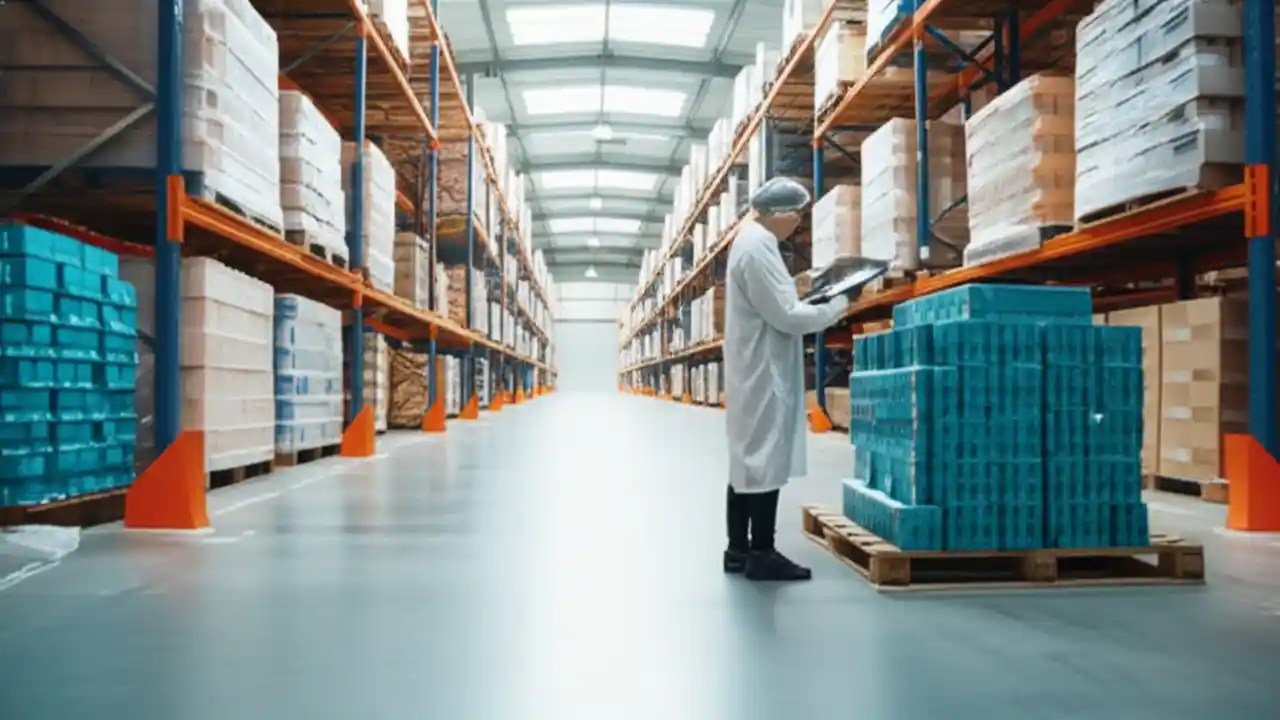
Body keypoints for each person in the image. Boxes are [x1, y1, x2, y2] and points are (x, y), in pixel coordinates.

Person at [723, 177, 851, 581]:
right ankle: (761, 552)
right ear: (778, 214)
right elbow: (787, 317)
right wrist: (838, 307)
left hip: (755, 364)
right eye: (797, 214)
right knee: (764, 459)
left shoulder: (752, 242)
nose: (799, 222)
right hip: (764, 368)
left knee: (748, 459)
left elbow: (777, 302)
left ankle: (738, 550)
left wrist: (803, 296)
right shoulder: (757, 247)